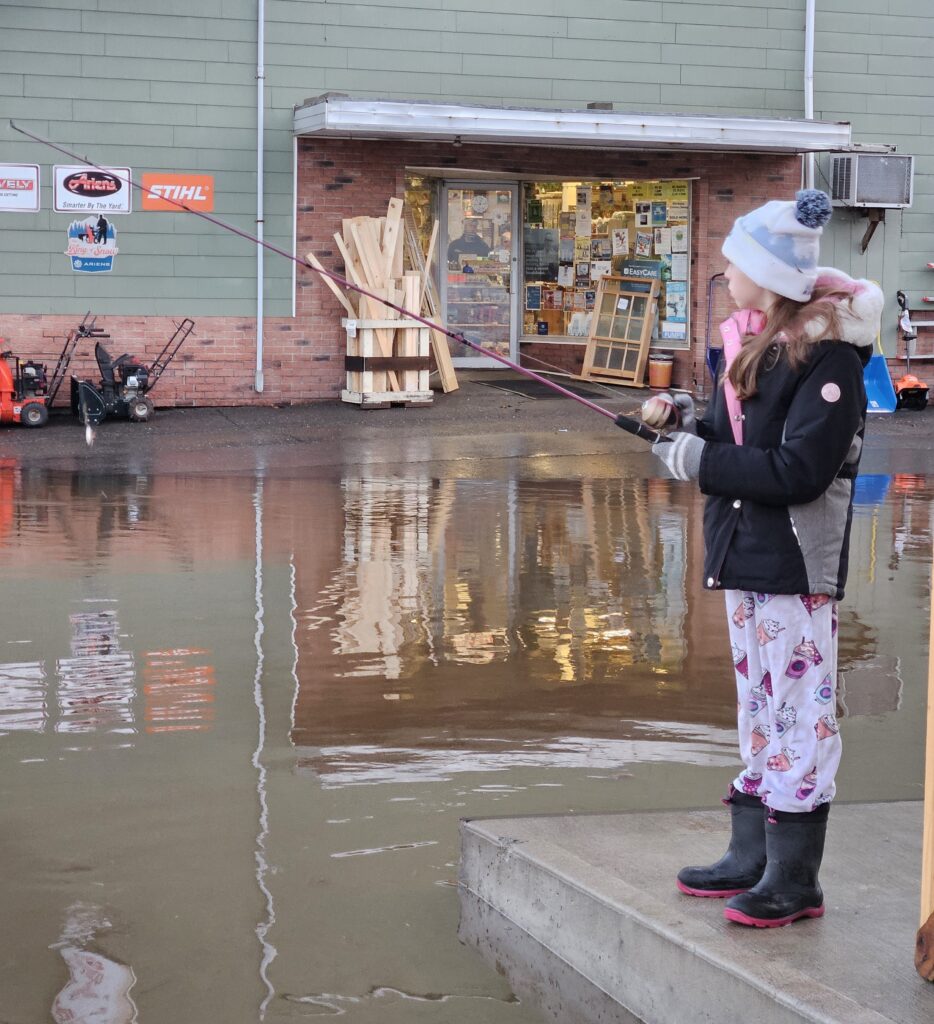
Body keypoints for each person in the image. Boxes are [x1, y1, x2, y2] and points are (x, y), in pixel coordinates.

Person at [642, 190, 883, 928]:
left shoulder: (830, 357)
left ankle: (795, 880)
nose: (723, 274)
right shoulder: (754, 343)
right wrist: (684, 422)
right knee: (758, 704)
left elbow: (798, 472)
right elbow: (730, 432)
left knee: (801, 714)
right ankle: (752, 857)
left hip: (794, 564)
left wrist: (696, 461)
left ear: (769, 275)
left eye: (734, 265)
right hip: (742, 553)